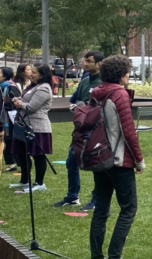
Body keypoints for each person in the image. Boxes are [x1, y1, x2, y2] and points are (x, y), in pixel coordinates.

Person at [88, 55, 145, 259]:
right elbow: (128, 131)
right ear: (121, 75)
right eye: (128, 72)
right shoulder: (119, 94)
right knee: (128, 209)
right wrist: (139, 161)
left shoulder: (97, 92)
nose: (129, 75)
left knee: (101, 208)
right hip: (119, 160)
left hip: (100, 158)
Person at [52, 50, 103, 209]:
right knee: (71, 161)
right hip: (81, 129)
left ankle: (97, 200)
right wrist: (78, 105)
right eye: (84, 60)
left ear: (99, 64)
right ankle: (72, 196)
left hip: (97, 130)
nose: (84, 63)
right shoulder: (85, 80)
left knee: (96, 165)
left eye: (88, 61)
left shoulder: (103, 83)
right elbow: (74, 100)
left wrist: (83, 106)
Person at [10, 64, 54, 194]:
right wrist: (19, 100)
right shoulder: (33, 86)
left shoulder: (44, 88)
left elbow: (32, 107)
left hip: (38, 127)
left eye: (34, 72)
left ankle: (39, 183)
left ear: (42, 75)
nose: (31, 74)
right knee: (21, 153)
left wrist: (20, 103)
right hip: (23, 125)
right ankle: (24, 180)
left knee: (38, 155)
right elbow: (25, 101)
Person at [1, 67, 17, 173]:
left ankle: (13, 162)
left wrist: (4, 104)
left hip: (9, 117)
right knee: (6, 139)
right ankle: (12, 162)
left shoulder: (11, 87)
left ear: (5, 76)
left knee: (8, 139)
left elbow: (16, 101)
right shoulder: (2, 86)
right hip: (3, 116)